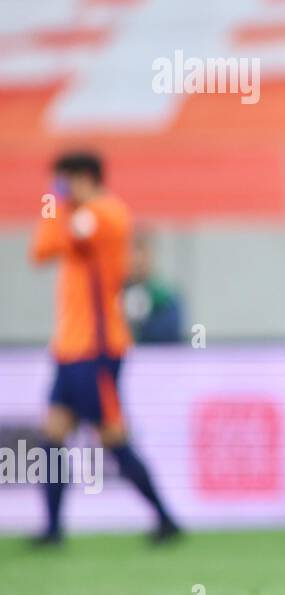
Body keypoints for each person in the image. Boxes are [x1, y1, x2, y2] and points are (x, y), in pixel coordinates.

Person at [29, 151, 181, 545]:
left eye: (63, 181)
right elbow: (40, 251)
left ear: (83, 178)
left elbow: (55, 240)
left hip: (96, 349)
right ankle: (52, 529)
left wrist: (57, 205)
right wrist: (60, 208)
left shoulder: (107, 214)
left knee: (112, 436)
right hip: (70, 349)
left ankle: (166, 519)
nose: (59, 191)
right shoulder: (76, 216)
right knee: (53, 433)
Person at [124, 229, 184, 343]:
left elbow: (171, 335)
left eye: (143, 251)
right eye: (132, 252)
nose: (137, 260)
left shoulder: (166, 297)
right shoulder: (114, 294)